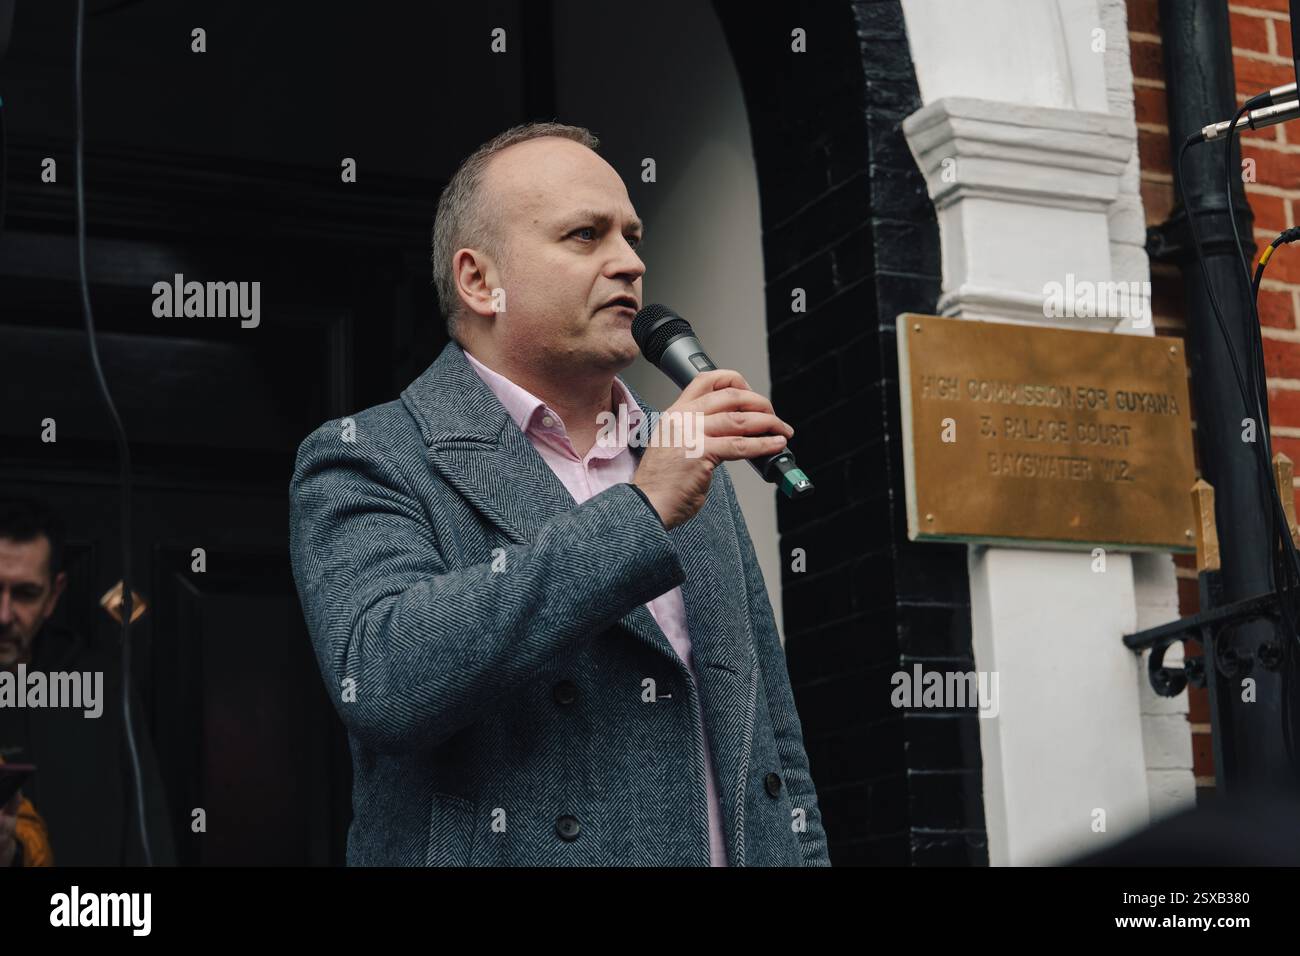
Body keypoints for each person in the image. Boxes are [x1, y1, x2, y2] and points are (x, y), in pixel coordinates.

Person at [289, 121, 830, 866]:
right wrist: (637, 515)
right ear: (481, 280)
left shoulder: (675, 458)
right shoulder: (370, 456)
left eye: (632, 236)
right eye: (585, 235)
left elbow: (774, 741)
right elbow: (383, 680)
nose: (630, 263)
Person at [0, 496, 175, 866]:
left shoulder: (103, 688)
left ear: (54, 595)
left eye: (25, 594)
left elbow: (148, 838)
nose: (4, 615)